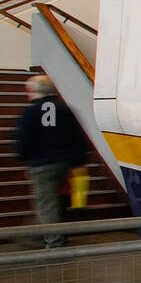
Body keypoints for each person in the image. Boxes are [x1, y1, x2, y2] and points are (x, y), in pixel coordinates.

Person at [13, 75, 86, 248]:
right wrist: (78, 161)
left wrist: (23, 158)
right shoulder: (64, 109)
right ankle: (35, 236)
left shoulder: (30, 112)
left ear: (34, 91)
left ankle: (54, 244)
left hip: (41, 164)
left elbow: (23, 139)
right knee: (54, 202)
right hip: (64, 163)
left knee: (46, 204)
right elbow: (78, 137)